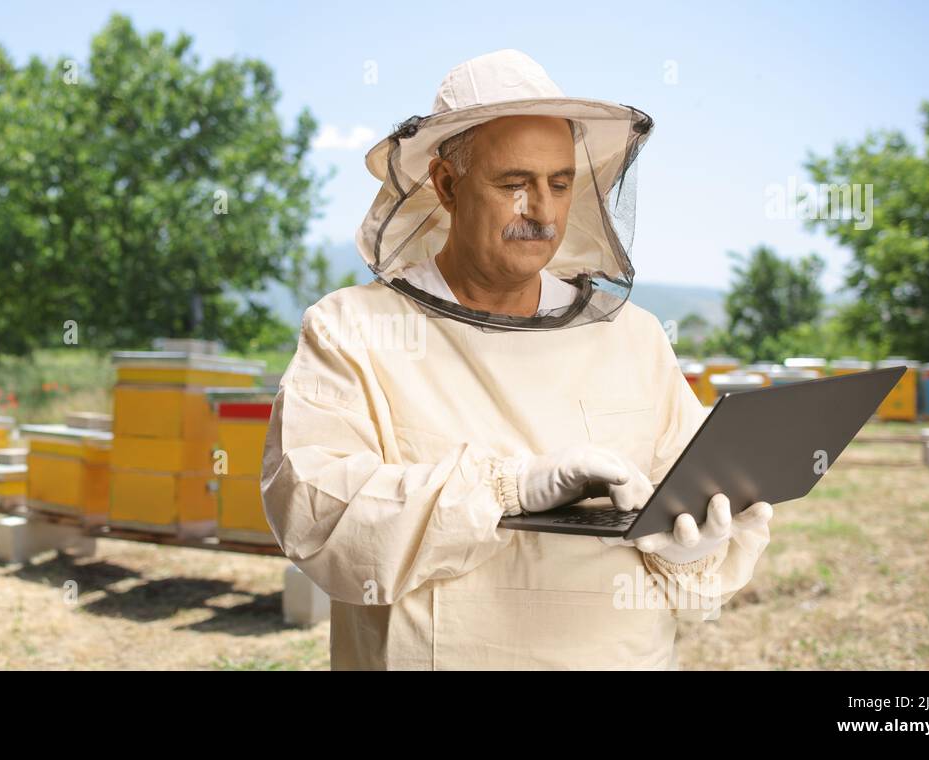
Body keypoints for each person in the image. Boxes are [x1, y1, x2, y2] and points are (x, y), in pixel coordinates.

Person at [261, 49, 774, 670]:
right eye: (514, 184)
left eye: (560, 183)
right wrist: (509, 487)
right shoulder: (354, 329)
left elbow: (699, 492)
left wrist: (697, 544)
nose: (544, 210)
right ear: (447, 186)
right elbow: (317, 512)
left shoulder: (634, 336)